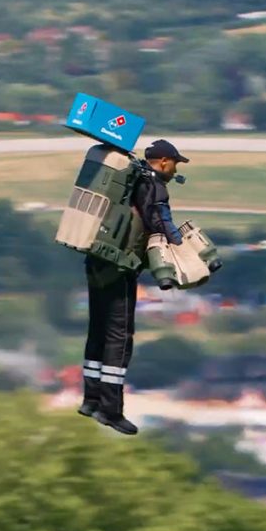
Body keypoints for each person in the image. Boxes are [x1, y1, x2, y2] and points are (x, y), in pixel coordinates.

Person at [79, 139, 189, 435]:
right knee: (120, 337)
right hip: (119, 267)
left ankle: (90, 400)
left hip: (95, 260)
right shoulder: (153, 184)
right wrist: (180, 244)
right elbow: (158, 220)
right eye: (175, 163)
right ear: (164, 161)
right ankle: (110, 411)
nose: (175, 168)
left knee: (98, 330)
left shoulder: (127, 177)